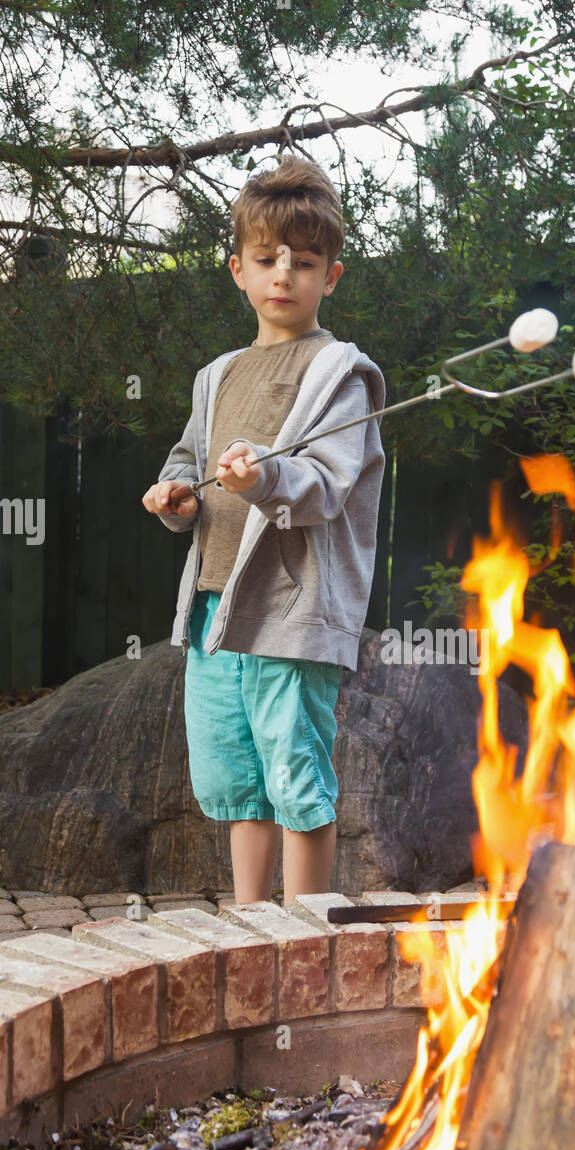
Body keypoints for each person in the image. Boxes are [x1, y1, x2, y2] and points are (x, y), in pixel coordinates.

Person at [142, 156, 386, 907]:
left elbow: (328, 485)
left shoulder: (342, 373)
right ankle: (251, 928)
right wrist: (173, 493)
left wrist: (267, 479)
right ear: (237, 271)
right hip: (216, 609)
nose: (285, 274)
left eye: (304, 262)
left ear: (332, 276)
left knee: (294, 771)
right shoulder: (216, 375)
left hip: (291, 607)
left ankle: (308, 938)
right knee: (233, 775)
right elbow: (189, 457)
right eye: (267, 259)